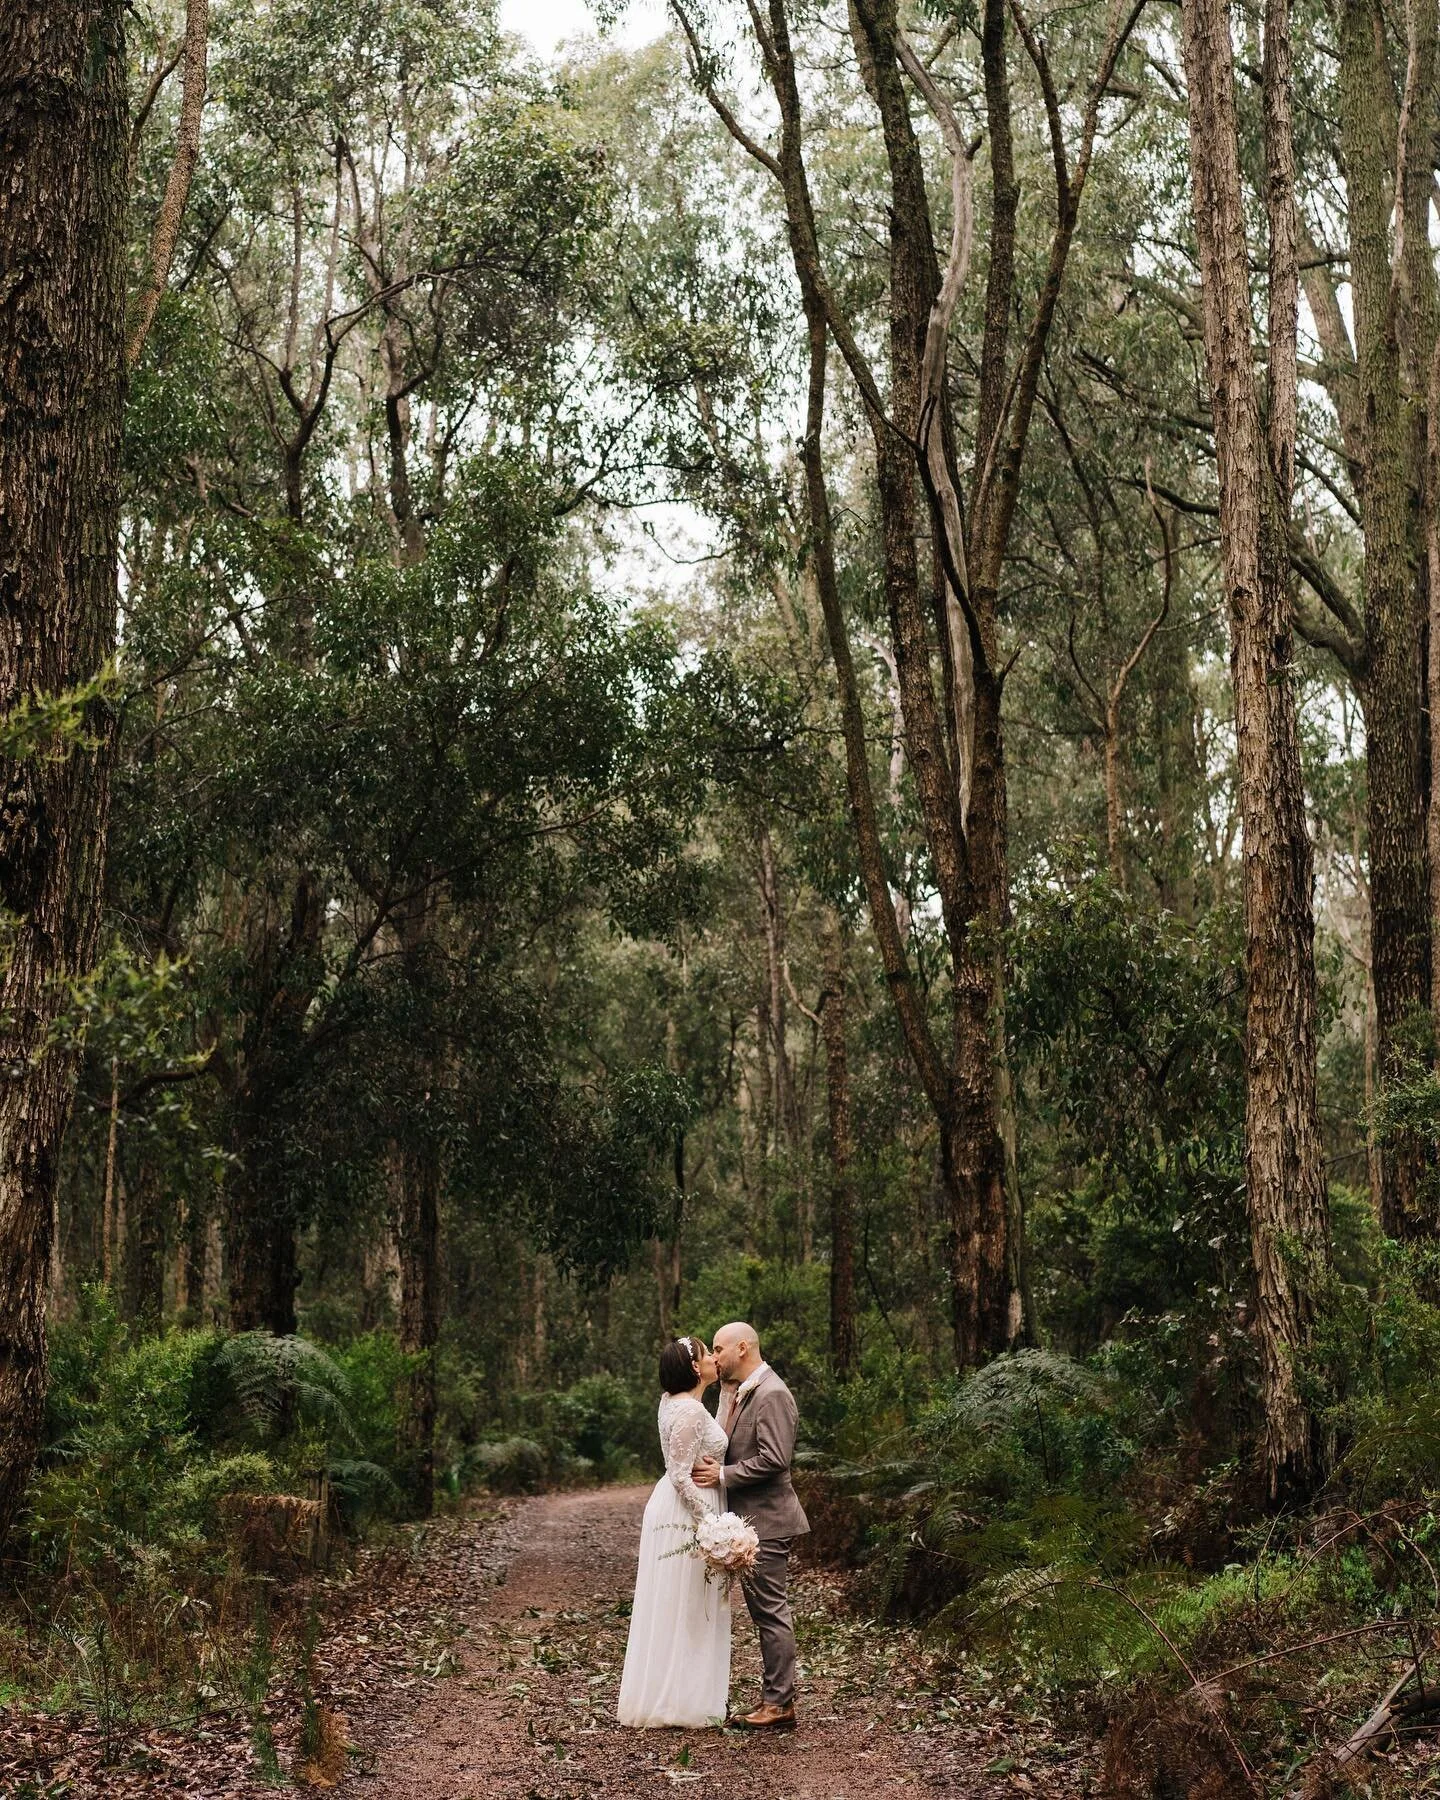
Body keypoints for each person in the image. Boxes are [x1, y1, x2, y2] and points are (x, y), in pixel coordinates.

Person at [693, 1320, 808, 1731]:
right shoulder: (740, 1392)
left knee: (771, 1613)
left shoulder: (773, 1394)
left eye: (720, 1349)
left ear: (742, 1348)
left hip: (769, 1520)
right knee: (765, 1613)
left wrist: (722, 1477)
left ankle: (779, 1704)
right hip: (752, 1519)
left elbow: (775, 1458)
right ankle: (776, 1699)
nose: (716, 1357)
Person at [616, 1334, 732, 1727]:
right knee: (687, 1603)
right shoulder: (689, 1410)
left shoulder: (673, 1402)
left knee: (679, 1601)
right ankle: (679, 1701)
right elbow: (681, 1476)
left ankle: (678, 1692)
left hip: (676, 1503)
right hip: (687, 1511)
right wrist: (711, 1524)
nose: (715, 1359)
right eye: (707, 1354)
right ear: (696, 1368)